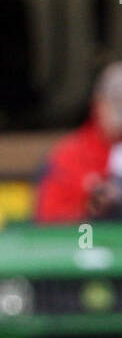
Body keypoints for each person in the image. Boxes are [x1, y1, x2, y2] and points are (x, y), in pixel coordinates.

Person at [35, 62, 122, 222]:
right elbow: (48, 222)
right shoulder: (70, 155)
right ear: (99, 105)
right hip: (87, 240)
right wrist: (91, 207)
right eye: (118, 103)